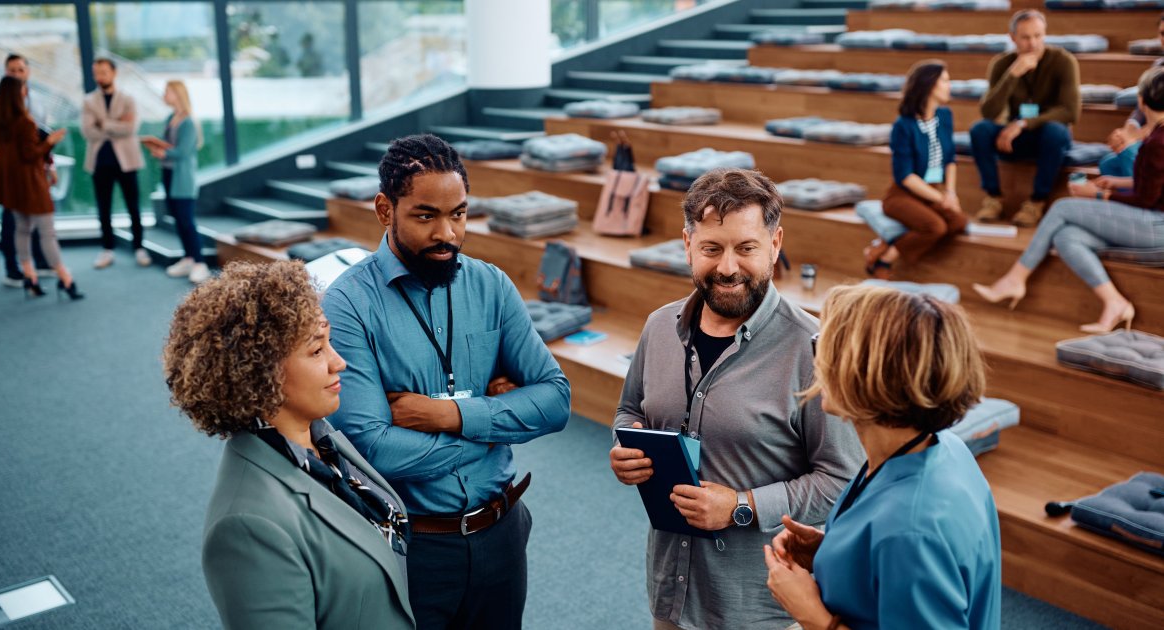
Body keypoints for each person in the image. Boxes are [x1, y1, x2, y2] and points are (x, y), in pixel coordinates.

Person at [323, 134, 570, 630]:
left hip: (502, 535)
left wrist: (449, 416)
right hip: (412, 548)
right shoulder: (348, 305)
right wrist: (493, 428)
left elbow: (556, 399)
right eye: (425, 216)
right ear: (384, 210)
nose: (448, 233)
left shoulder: (492, 285)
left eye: (458, 214)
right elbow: (373, 447)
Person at [610, 168, 864, 630]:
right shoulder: (658, 328)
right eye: (711, 248)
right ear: (687, 243)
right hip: (671, 588)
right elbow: (631, 409)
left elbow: (843, 479)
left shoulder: (813, 349)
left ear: (775, 243)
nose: (727, 267)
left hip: (759, 608)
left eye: (746, 248)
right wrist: (627, 447)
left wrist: (742, 505)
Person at [162, 260, 415, 629]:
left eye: (330, 344)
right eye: (316, 351)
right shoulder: (247, 525)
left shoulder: (323, 439)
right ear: (258, 370)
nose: (339, 362)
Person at [763, 284, 1000, 630]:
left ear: (867, 376)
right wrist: (835, 554)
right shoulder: (942, 447)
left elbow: (906, 543)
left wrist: (813, 617)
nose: (817, 363)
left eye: (823, 348)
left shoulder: (911, 531)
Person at [973, 66, 1164, 334]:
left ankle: (1015, 278)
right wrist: (1118, 182)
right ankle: (1114, 301)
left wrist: (1099, 195)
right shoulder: (1157, 136)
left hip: (1156, 226)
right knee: (1068, 237)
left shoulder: (1157, 141)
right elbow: (1154, 188)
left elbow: (1145, 200)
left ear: (1141, 101)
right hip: (1153, 221)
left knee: (1063, 207)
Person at [970, 9, 1079, 227]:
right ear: (1012, 38)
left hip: (1049, 138)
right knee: (979, 130)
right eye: (1026, 37)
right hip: (1016, 139)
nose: (1033, 44)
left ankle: (1036, 202)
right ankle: (993, 198)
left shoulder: (1063, 61)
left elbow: (1070, 112)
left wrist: (1022, 123)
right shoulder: (1002, 64)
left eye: (1038, 36)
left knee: (1055, 131)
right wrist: (1012, 75)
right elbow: (989, 112)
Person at [0, 76, 83, 300]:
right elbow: (30, 155)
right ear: (18, 94)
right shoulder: (25, 122)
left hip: (10, 186)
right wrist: (49, 142)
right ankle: (65, 279)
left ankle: (30, 277)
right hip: (31, 184)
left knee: (22, 229)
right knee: (47, 232)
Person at [865, 60, 966, 280]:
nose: (950, 86)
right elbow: (905, 176)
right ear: (930, 85)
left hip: (931, 191)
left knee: (959, 222)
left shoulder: (945, 116)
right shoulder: (903, 126)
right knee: (936, 227)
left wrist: (950, 193)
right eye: (945, 81)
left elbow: (950, 159)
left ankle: (887, 242)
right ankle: (886, 258)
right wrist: (940, 198)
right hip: (903, 194)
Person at [0, 54, 53, 287]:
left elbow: (39, 138)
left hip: (34, 172)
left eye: (20, 70)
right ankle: (12, 270)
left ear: (28, 72)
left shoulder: (38, 102)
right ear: (5, 73)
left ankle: (40, 264)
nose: (16, 74)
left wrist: (47, 163)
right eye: (11, 70)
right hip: (13, 176)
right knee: (12, 223)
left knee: (35, 220)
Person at [82, 57, 149, 269]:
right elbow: (88, 131)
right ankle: (107, 249)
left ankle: (139, 247)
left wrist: (104, 123)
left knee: (133, 206)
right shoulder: (89, 101)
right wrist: (118, 123)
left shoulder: (128, 98)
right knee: (104, 208)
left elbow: (131, 129)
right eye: (96, 73)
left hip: (126, 161)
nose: (99, 76)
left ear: (113, 73)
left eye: (103, 72)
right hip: (100, 161)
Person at [143, 80, 209, 284]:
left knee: (187, 220)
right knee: (179, 220)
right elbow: (172, 146)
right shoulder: (171, 118)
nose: (164, 95)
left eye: (167, 92)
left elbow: (184, 150)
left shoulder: (188, 121)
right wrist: (160, 150)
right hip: (169, 174)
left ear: (178, 94)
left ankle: (200, 262)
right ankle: (188, 258)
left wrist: (164, 152)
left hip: (183, 178)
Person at [1101, 12, 1164, 178]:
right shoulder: (1158, 65)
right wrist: (1128, 130)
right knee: (1108, 164)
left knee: (1128, 153)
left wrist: (1138, 136)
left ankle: (1143, 201)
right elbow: (1142, 105)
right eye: (1163, 34)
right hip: (1153, 133)